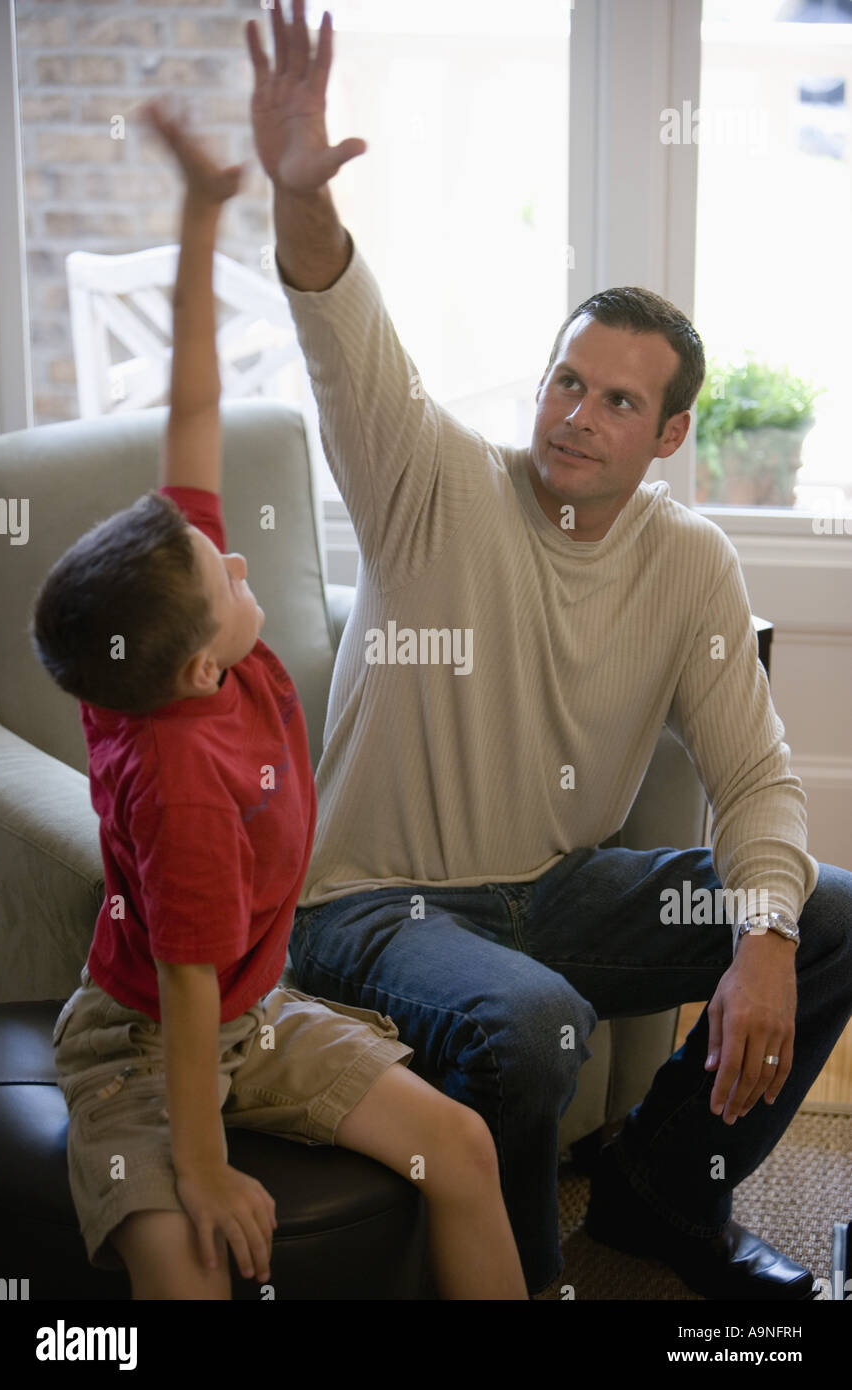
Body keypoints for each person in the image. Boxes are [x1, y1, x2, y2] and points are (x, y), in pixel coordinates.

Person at [245, 1, 852, 1300]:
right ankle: (517, 1284)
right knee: (533, 1020)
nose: (576, 415)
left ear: (670, 433)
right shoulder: (431, 483)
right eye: (564, 380)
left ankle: (658, 1199)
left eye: (618, 399)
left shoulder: (686, 559)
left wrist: (763, 935)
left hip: (547, 888)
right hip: (370, 901)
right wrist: (300, 199)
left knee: (833, 912)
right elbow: (341, 334)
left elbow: (756, 776)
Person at [31, 96, 527, 1302]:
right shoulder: (185, 780)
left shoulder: (155, 627)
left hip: (256, 1007)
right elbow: (186, 995)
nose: (235, 555)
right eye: (223, 573)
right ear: (201, 672)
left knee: (458, 1148)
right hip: (143, 1044)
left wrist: (206, 215)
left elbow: (189, 404)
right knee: (190, 1265)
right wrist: (201, 1169)